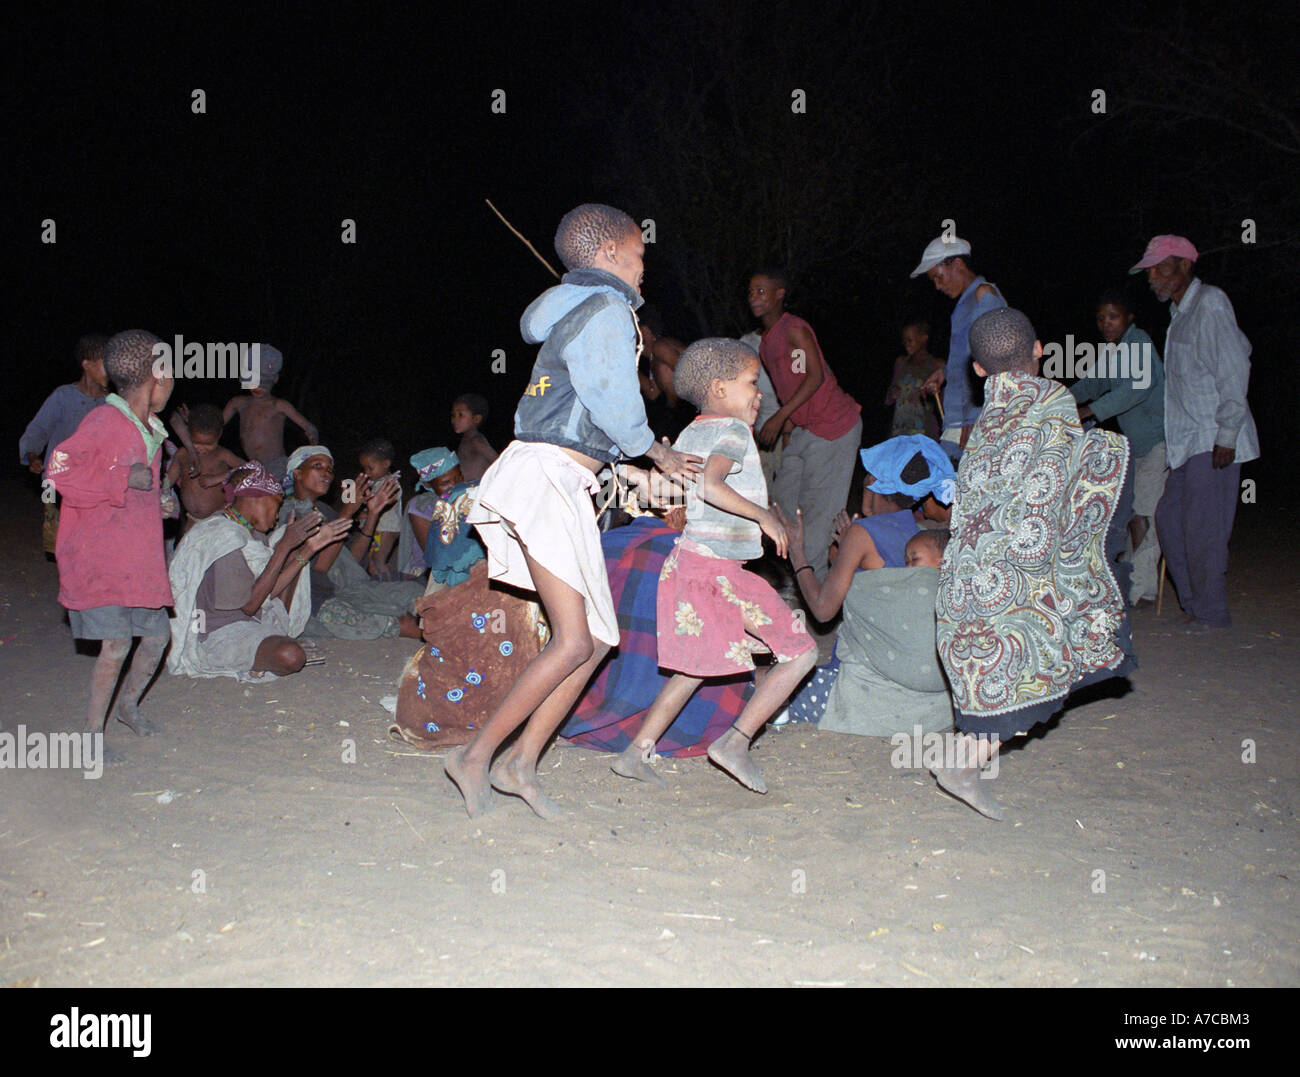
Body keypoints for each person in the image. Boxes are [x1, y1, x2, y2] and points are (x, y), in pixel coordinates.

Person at [444, 202, 702, 819]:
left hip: (557, 474)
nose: (645, 268)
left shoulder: (580, 310)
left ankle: (519, 765)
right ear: (612, 253)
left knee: (591, 642)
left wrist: (630, 469)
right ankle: (475, 757)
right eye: (639, 254)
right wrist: (655, 450)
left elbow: (583, 425)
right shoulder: (607, 311)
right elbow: (613, 404)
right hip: (544, 478)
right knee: (572, 641)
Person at [934, 308, 1133, 820]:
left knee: (1028, 676)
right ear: (1040, 350)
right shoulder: (1054, 400)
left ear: (978, 371)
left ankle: (960, 762)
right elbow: (1062, 481)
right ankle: (961, 766)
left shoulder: (981, 427)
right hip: (1017, 577)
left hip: (966, 581)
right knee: (1042, 669)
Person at [611, 339, 817, 792]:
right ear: (720, 389)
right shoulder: (733, 432)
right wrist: (764, 515)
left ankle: (635, 752)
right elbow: (708, 485)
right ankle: (735, 741)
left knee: (696, 668)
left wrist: (638, 480)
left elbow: (671, 493)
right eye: (751, 383)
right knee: (802, 652)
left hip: (690, 567)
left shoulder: (691, 435)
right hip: (717, 573)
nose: (760, 393)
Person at [46, 330, 176, 757]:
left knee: (156, 637)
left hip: (138, 560)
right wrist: (121, 479)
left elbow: (136, 489)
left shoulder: (151, 430)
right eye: (170, 372)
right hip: (100, 558)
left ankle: (128, 707)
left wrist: (158, 501)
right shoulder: (104, 421)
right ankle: (89, 733)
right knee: (116, 644)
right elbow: (59, 469)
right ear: (156, 378)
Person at [778, 436, 956, 734]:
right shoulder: (923, 537)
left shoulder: (862, 532)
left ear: (873, 481)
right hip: (922, 685)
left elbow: (823, 610)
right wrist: (847, 552)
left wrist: (797, 553)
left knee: (768, 681)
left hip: (871, 678)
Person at [1130, 235, 1260, 631]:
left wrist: (1227, 434)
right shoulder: (1179, 315)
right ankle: (1195, 603)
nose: (1152, 275)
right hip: (1186, 443)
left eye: (1159, 266)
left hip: (1213, 438)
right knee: (1169, 520)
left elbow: (1235, 368)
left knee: (1204, 529)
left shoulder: (1210, 303)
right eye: (1149, 269)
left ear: (1185, 264)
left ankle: (1212, 613)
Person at [167, 462, 351, 680]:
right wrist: (283, 547)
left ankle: (261, 653)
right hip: (219, 638)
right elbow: (251, 605)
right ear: (258, 499)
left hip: (251, 623)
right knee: (291, 656)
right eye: (277, 504)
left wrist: (305, 548)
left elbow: (267, 593)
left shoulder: (247, 533)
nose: (277, 516)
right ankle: (255, 658)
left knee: (290, 560)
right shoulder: (224, 537)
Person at [748, 268, 863, 579]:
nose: (754, 298)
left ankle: (821, 608)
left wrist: (780, 417)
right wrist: (788, 429)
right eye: (751, 293)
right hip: (804, 431)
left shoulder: (794, 330)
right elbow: (791, 386)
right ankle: (801, 584)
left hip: (833, 427)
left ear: (779, 294)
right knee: (781, 505)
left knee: (816, 522)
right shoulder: (767, 343)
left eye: (761, 291)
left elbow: (815, 377)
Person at [1068, 288, 1167, 604]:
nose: (1106, 323)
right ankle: (1130, 583)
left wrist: (1091, 410)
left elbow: (1133, 390)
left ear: (1129, 317)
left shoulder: (1138, 345)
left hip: (1156, 442)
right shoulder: (1114, 352)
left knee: (1143, 515)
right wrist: (1058, 398)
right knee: (1127, 514)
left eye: (1113, 316)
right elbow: (1092, 384)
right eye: (1101, 318)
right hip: (1134, 446)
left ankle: (1141, 589)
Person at [279, 445, 423, 640]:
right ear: (297, 473)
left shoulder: (323, 510)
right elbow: (320, 568)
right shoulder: (288, 514)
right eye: (317, 466)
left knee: (415, 593)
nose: (327, 474)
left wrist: (373, 514)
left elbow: (350, 559)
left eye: (329, 469)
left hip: (349, 588)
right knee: (391, 621)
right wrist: (348, 512)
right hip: (317, 598)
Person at [910, 235, 1006, 462]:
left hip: (974, 417)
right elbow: (968, 354)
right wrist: (944, 373)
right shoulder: (964, 304)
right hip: (956, 416)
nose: (938, 286)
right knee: (946, 487)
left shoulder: (984, 294)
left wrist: (975, 417)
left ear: (957, 264)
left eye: (938, 277)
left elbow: (992, 360)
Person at [20, 333, 111, 557]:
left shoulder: (111, 403)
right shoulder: (63, 396)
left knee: (91, 540)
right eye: (105, 363)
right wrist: (32, 457)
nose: (111, 369)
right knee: (56, 536)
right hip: (54, 481)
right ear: (87, 365)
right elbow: (39, 430)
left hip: (93, 482)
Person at [222, 343, 319, 480]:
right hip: (252, 465)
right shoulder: (238, 403)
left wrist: (312, 436)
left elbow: (307, 425)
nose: (257, 387)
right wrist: (193, 421)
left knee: (279, 498)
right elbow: (216, 425)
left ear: (274, 379)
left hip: (277, 465)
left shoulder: (278, 405)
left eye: (263, 383)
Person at [166, 403, 246, 534]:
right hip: (192, 519)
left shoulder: (221, 454)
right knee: (187, 551)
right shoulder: (182, 454)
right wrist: (161, 491)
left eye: (208, 444)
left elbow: (250, 468)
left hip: (222, 516)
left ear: (219, 435)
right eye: (196, 443)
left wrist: (218, 478)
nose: (201, 448)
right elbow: (169, 480)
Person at [414, 447, 484, 590]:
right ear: (428, 484)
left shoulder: (469, 495)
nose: (455, 486)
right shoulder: (421, 508)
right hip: (437, 570)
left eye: (458, 477)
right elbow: (436, 557)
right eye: (445, 483)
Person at [885, 320, 944, 438]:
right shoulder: (900, 363)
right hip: (899, 430)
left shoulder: (937, 366)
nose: (906, 344)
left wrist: (931, 393)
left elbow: (944, 403)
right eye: (904, 340)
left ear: (924, 338)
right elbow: (888, 398)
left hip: (924, 432)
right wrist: (893, 392)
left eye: (910, 340)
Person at [357, 438, 403, 578]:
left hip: (386, 529)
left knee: (378, 561)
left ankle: (388, 587)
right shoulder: (376, 482)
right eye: (364, 468)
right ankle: (378, 586)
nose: (367, 472)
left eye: (370, 468)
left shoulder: (391, 483)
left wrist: (365, 512)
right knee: (371, 562)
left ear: (386, 464)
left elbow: (387, 502)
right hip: (378, 529)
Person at [450, 393, 498, 482]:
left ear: (476, 419)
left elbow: (498, 461)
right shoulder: (465, 440)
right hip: (467, 488)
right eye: (453, 415)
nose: (454, 420)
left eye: (460, 415)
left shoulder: (476, 440)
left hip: (477, 488)